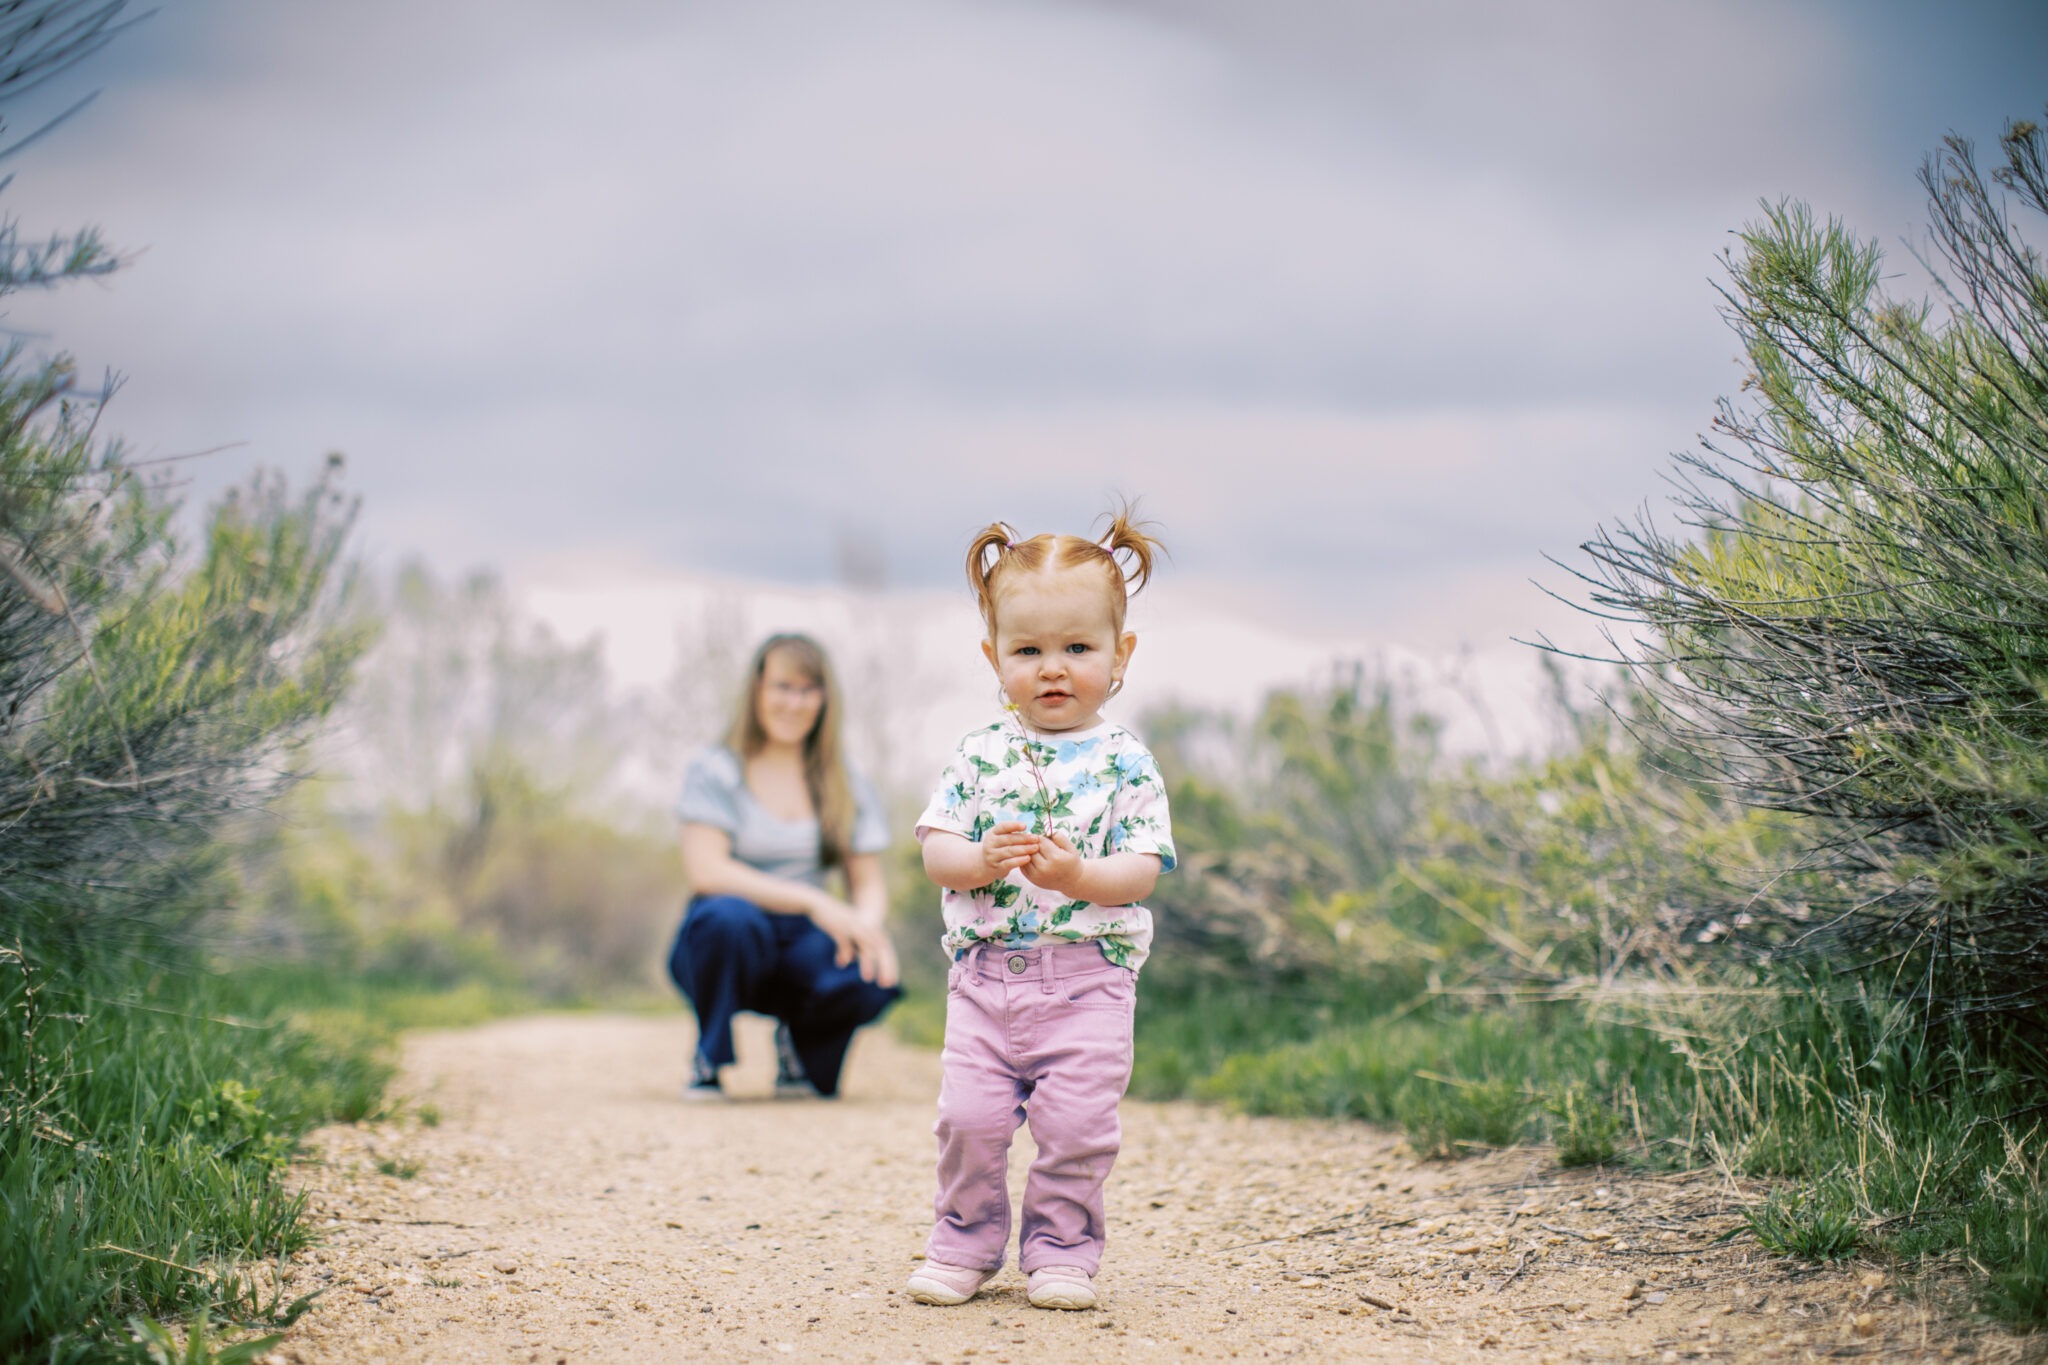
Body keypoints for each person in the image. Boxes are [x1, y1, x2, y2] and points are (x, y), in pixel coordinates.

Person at [903, 508, 1176, 1313]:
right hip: (986, 980)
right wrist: (979, 859)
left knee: (1077, 1126)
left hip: (1090, 981)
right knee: (969, 1120)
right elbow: (935, 848)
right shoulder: (979, 751)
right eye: (1029, 650)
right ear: (995, 656)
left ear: (1120, 654)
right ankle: (964, 1239)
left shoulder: (1127, 759)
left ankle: (1060, 1248)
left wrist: (1082, 874)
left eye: (1077, 648)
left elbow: (1142, 868)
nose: (1053, 669)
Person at [667, 633, 901, 1100]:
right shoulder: (716, 769)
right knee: (726, 919)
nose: (794, 702)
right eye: (782, 687)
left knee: (865, 975)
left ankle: (801, 1045)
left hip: (806, 942)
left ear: (824, 699)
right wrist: (815, 901)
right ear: (757, 690)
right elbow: (707, 872)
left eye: (807, 689)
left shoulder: (844, 778)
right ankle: (710, 1054)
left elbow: (868, 883)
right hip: (730, 938)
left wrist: (867, 932)